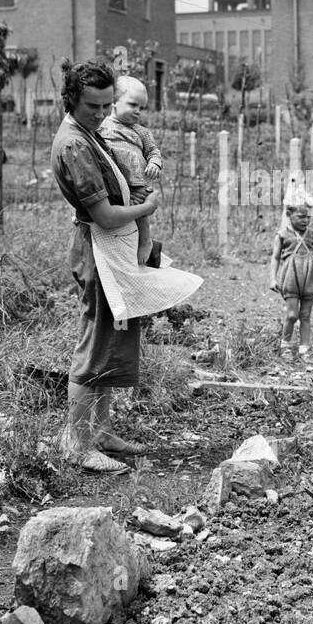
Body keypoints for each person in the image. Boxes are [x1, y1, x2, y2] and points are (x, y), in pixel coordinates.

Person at [50, 59, 199, 473]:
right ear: (71, 101)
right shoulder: (75, 145)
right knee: (96, 342)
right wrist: (147, 206)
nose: (99, 114)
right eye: (91, 107)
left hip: (113, 250)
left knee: (115, 336)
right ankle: (77, 444)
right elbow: (106, 216)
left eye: (104, 105)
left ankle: (100, 430)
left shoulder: (91, 133)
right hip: (99, 250)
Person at [99, 76, 162, 266]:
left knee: (139, 213)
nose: (138, 111)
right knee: (115, 217)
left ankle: (146, 241)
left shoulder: (141, 132)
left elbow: (153, 151)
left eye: (141, 108)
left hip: (136, 183)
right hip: (114, 183)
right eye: (133, 104)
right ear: (114, 102)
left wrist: (155, 164)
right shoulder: (101, 126)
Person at [268, 186, 313, 360]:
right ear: (289, 214)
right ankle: (285, 346)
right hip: (290, 279)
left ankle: (304, 349)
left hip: (310, 279)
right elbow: (275, 258)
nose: (305, 221)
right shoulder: (282, 235)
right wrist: (273, 279)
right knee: (291, 314)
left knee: (305, 315)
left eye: (308, 217)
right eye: (301, 216)